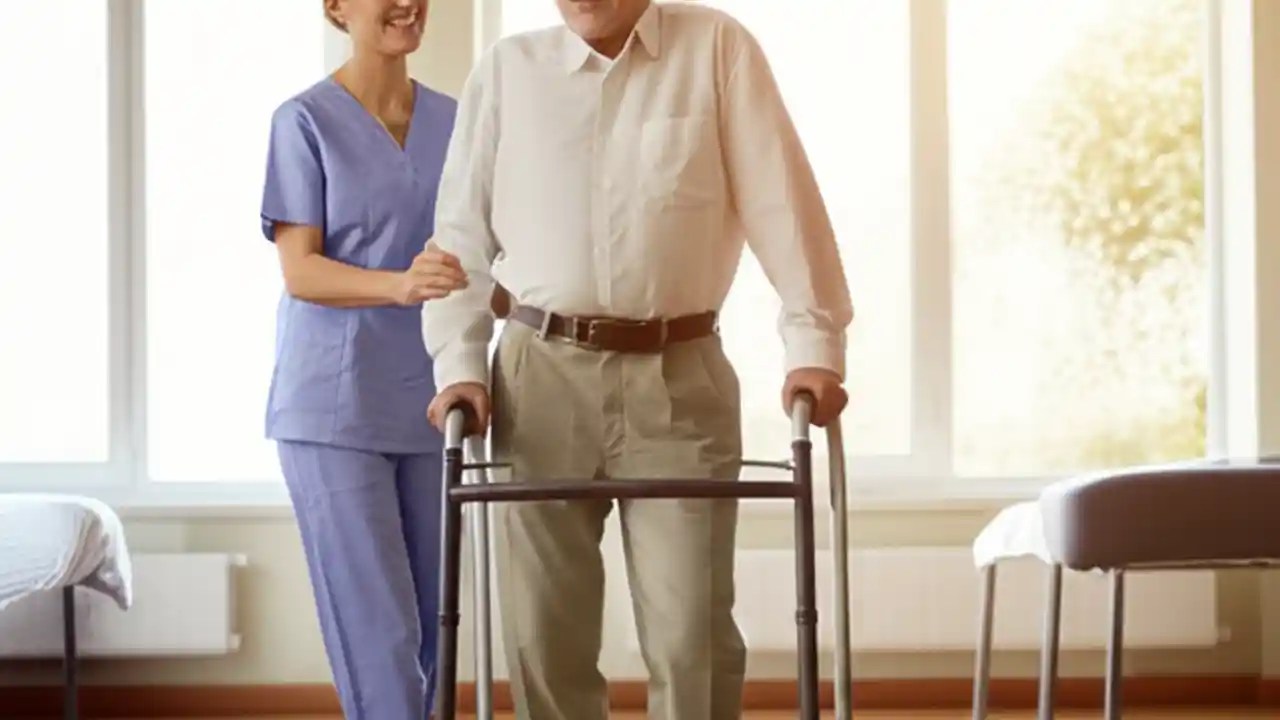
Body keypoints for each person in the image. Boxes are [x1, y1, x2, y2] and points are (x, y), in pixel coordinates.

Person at [425, 0, 853, 718]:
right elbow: (460, 240)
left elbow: (784, 203)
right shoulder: (507, 71)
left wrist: (814, 346)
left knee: (692, 636)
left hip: (679, 372)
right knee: (542, 637)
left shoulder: (716, 47)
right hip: (539, 375)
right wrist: (459, 365)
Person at [259, 1, 466, 717]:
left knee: (438, 634)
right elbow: (302, 271)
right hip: (332, 411)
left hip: (435, 404)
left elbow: (482, 252)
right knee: (380, 636)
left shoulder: (458, 122)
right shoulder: (304, 122)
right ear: (337, 7)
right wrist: (399, 284)